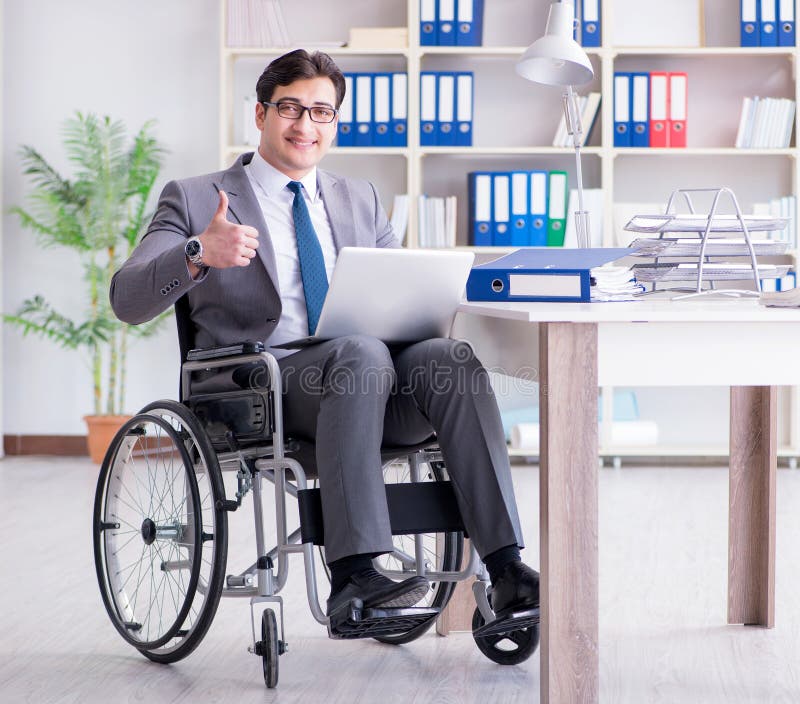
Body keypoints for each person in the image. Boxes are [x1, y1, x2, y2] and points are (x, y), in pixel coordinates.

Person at [110, 49, 539, 631]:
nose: (305, 125)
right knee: (359, 352)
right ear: (260, 113)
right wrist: (197, 252)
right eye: (290, 108)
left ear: (334, 122)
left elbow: (399, 294)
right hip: (263, 390)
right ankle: (355, 574)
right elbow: (127, 298)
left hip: (371, 383)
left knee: (450, 359)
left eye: (321, 112)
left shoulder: (359, 197)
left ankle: (507, 569)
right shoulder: (195, 197)